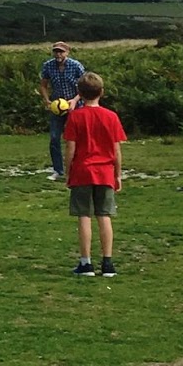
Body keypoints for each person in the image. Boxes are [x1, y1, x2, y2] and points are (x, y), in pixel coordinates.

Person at [62, 72, 126, 278]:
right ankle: (107, 263)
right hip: (105, 172)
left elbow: (70, 149)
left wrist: (67, 172)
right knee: (104, 215)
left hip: (82, 171)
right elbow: (116, 151)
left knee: (84, 215)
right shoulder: (111, 117)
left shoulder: (75, 117)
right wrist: (118, 174)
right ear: (102, 92)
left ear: (79, 93)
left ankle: (86, 262)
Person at [38, 41, 85, 178]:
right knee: (54, 138)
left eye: (61, 51)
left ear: (67, 52)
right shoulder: (48, 66)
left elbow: (84, 86)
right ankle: (58, 170)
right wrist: (47, 100)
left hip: (75, 106)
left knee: (77, 138)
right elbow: (43, 85)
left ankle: (78, 167)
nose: (58, 54)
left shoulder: (76, 66)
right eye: (56, 51)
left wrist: (75, 100)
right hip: (57, 107)